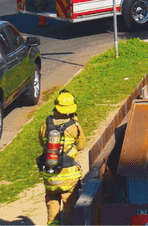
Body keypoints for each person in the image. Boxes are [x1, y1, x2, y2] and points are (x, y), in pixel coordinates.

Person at [37, 90, 86, 225]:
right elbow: (81, 145)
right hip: (69, 177)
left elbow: (42, 142)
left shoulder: (46, 123)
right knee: (69, 207)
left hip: (50, 175)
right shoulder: (74, 126)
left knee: (52, 203)